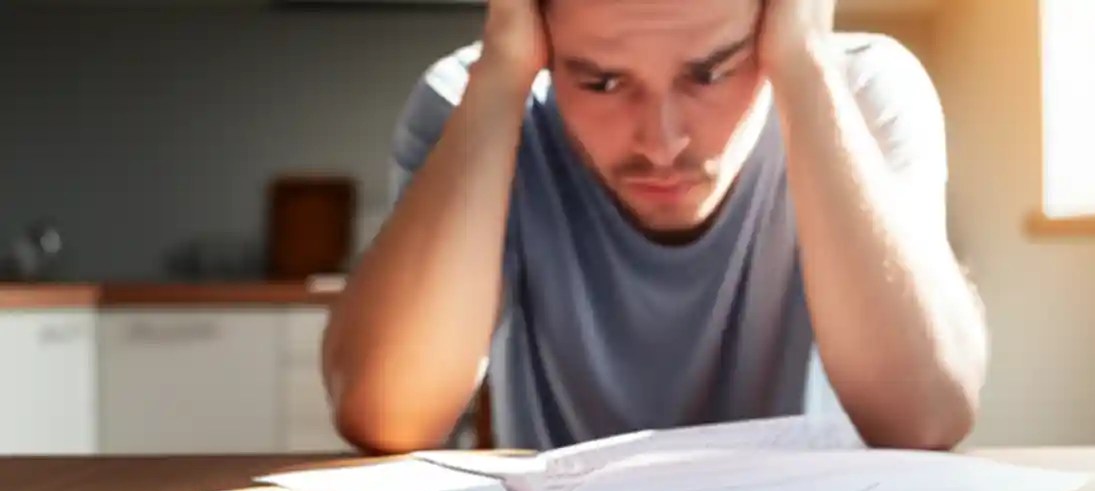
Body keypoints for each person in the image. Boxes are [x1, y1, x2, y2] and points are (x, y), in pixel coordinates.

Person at [322, 0, 988, 453]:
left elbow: (926, 415)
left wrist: (807, 61)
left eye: (709, 73)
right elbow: (387, 415)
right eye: (603, 83)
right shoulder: (478, 100)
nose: (662, 142)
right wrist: (500, 73)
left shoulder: (862, 89)